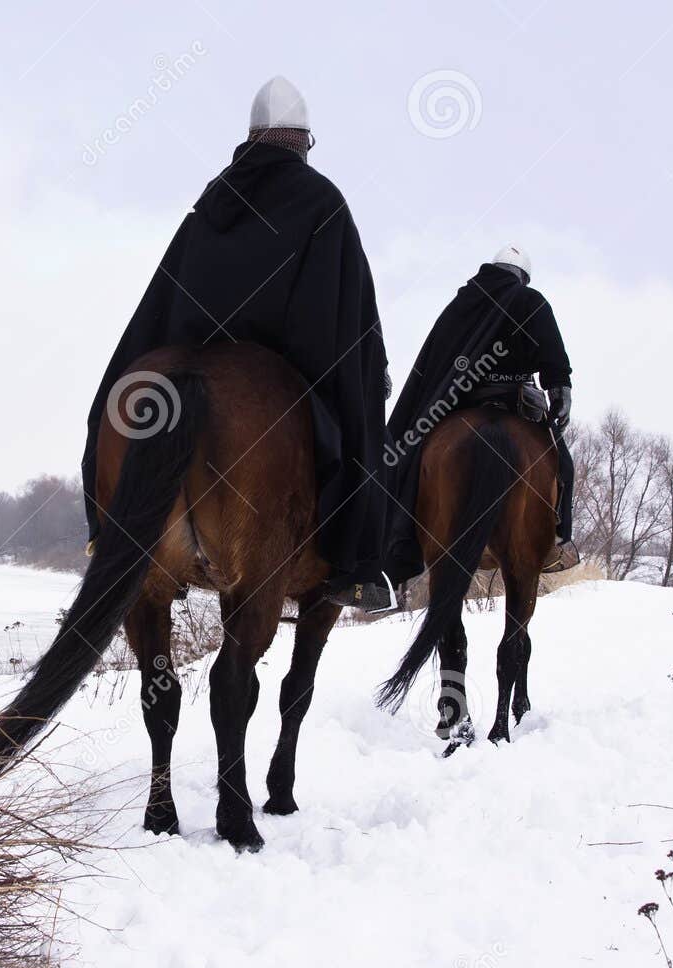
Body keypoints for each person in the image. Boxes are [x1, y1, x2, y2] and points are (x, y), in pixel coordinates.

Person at [81, 75, 395, 612]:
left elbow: (169, 290)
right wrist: (368, 371)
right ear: (304, 141)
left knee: (110, 405)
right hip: (283, 366)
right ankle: (356, 568)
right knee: (363, 430)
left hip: (191, 345)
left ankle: (104, 534)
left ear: (251, 136)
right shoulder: (322, 200)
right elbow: (346, 311)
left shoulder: (214, 197)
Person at [384, 245, 579, 583]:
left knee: (410, 457)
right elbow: (552, 354)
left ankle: (401, 540)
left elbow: (435, 359)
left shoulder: (462, 303)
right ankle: (556, 541)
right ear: (523, 276)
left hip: (460, 400)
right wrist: (560, 388)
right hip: (515, 400)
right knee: (563, 465)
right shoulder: (530, 300)